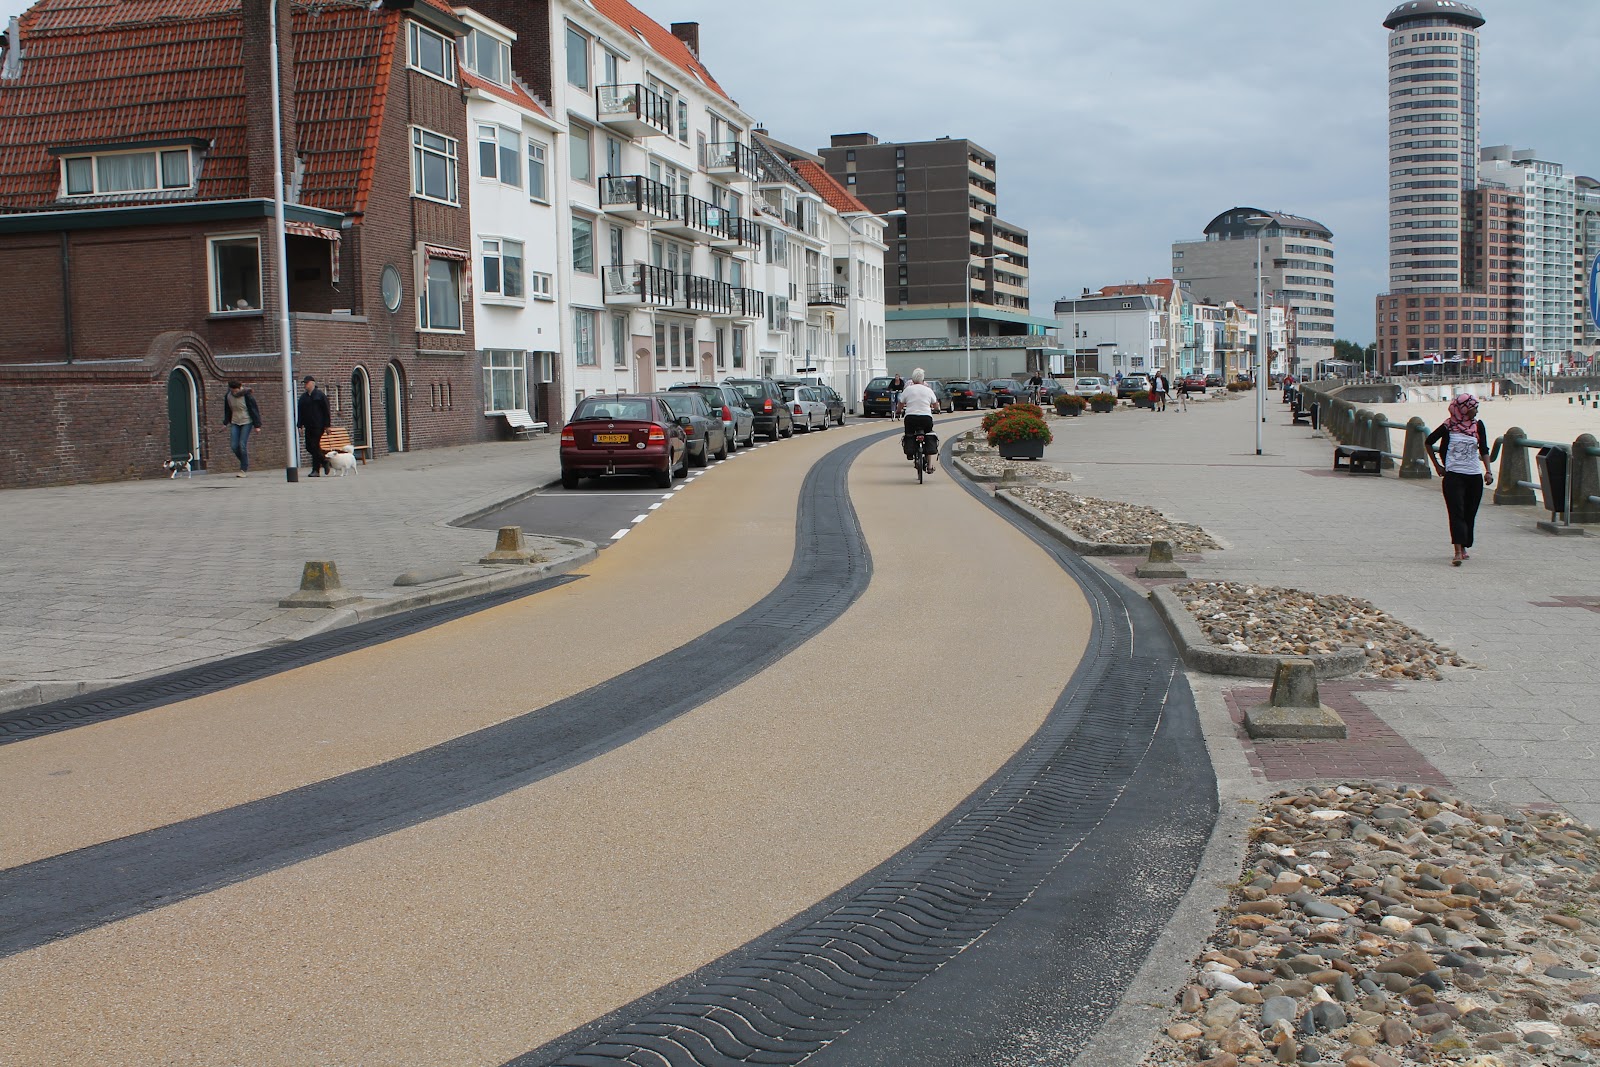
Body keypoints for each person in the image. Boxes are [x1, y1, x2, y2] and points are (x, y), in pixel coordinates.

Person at [1426, 393, 1493, 566]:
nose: (1476, 412)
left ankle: (1464, 546)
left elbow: (1484, 449)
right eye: (1473, 408)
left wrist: (1488, 471)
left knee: (1469, 513)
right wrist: (1438, 466)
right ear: (1463, 409)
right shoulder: (1449, 426)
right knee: (1456, 512)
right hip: (1453, 476)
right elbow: (1429, 441)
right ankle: (1457, 551)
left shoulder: (1478, 426)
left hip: (1474, 476)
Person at [898, 368, 939, 468]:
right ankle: (929, 466)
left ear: (912, 379)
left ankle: (910, 453)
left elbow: (900, 403)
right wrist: (936, 409)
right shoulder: (928, 390)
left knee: (909, 433)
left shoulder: (908, 390)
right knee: (929, 434)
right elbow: (935, 404)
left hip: (910, 418)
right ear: (923, 379)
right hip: (926, 418)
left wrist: (898, 411)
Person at [220, 380, 261, 477]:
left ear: (240, 388)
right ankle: (244, 461)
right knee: (234, 446)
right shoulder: (228, 396)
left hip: (246, 421)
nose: (234, 393)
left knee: (242, 444)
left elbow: (254, 409)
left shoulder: (247, 395)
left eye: (236, 390)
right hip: (235, 422)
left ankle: (243, 469)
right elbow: (228, 410)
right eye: (232, 391)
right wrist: (225, 423)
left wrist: (257, 425)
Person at [296, 375, 332, 477]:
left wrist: (327, 425)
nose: (305, 385)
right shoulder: (303, 398)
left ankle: (315, 470)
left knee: (314, 445)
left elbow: (326, 411)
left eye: (307, 383)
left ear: (312, 383)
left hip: (318, 425)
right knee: (309, 447)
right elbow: (300, 412)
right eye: (304, 383)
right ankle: (324, 460)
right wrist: (299, 425)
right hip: (308, 425)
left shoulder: (320, 396)